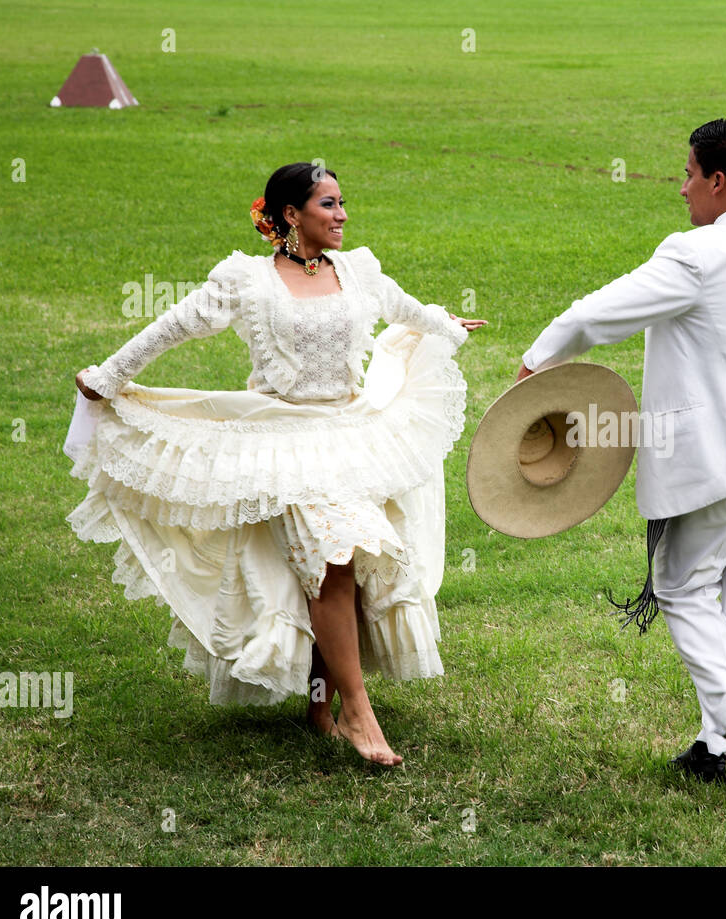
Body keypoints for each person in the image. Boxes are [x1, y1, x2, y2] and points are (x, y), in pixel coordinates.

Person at [515, 53, 726, 799]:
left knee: (680, 585)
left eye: (687, 172)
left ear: (717, 182)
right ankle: (717, 744)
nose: (679, 185)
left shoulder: (696, 254)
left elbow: (595, 313)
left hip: (725, 456)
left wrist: (537, 361)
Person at [69, 162, 485, 766]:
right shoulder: (248, 281)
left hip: (350, 436)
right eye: (328, 205)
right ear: (292, 215)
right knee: (334, 557)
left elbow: (405, 308)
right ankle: (359, 713)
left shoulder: (357, 270)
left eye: (343, 204)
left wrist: (444, 324)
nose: (341, 216)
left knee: (335, 566)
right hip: (281, 442)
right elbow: (174, 326)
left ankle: (320, 704)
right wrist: (108, 376)